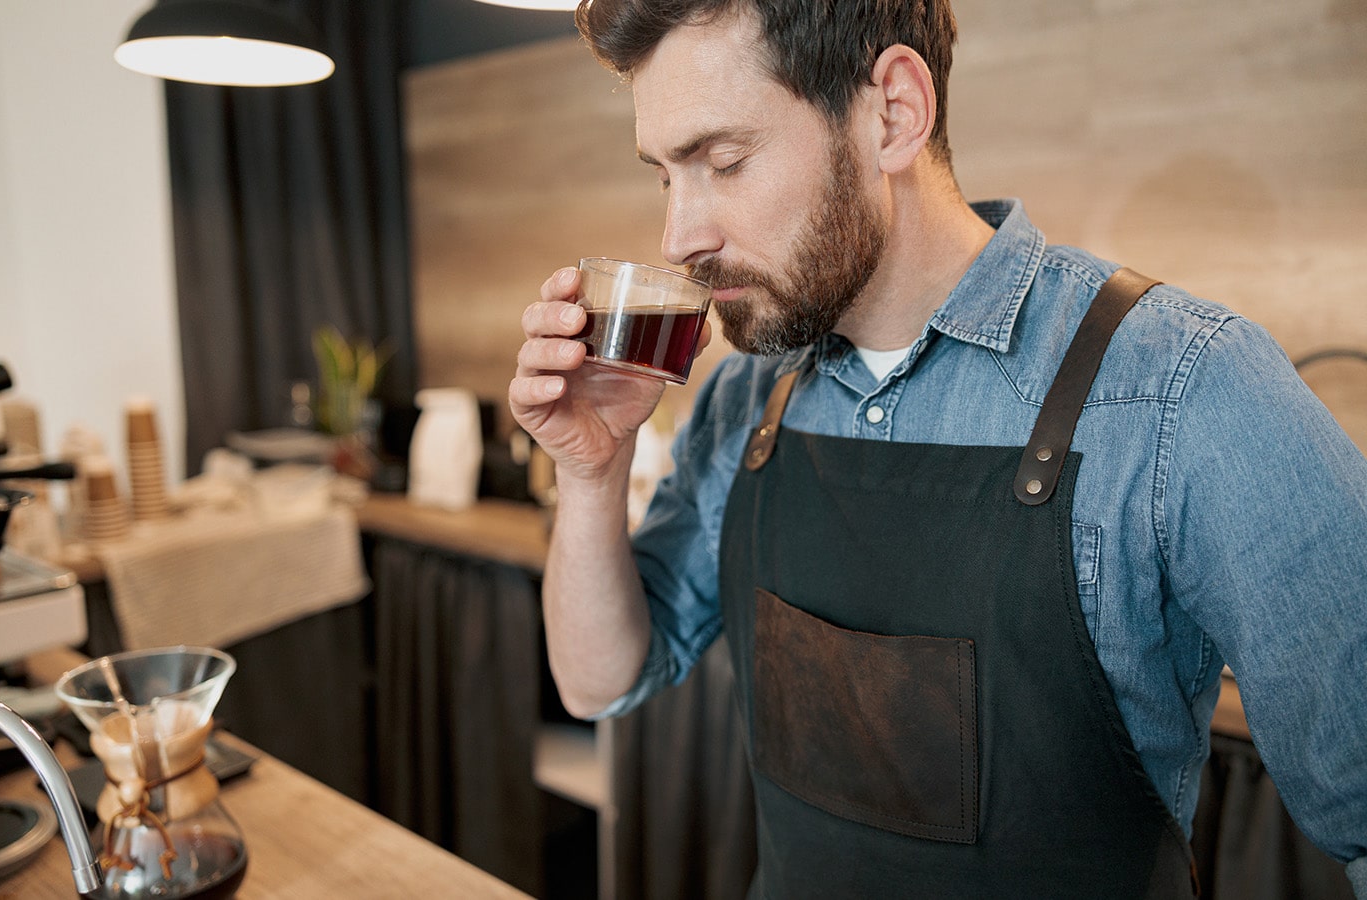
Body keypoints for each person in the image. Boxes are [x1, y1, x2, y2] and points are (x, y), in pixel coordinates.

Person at [508, 1, 1367, 896]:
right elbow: (600, 681)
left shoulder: (1184, 388)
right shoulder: (743, 402)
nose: (679, 236)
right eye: (665, 177)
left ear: (895, 112)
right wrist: (591, 470)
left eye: (724, 162)